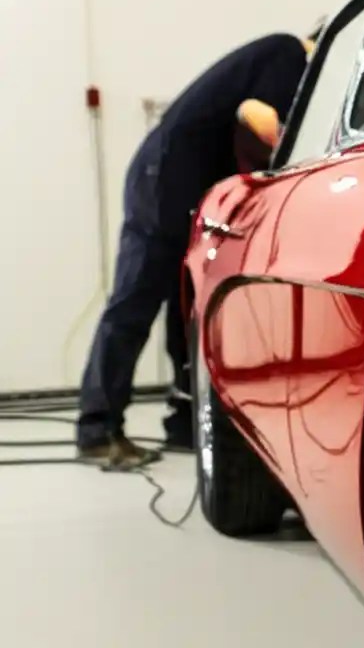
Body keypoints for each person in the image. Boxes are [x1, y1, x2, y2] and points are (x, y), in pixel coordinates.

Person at [76, 33, 313, 469]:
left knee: (183, 308)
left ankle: (182, 424)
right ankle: (96, 429)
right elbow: (273, 127)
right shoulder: (292, 53)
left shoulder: (275, 59)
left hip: (174, 178)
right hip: (164, 178)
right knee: (134, 303)